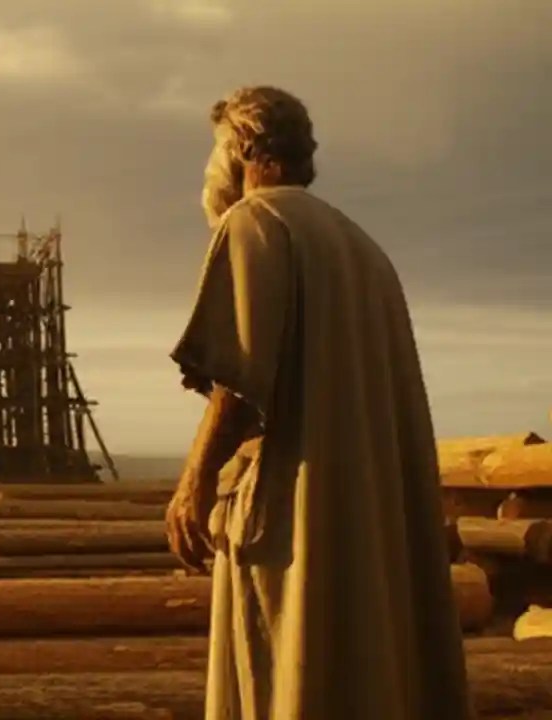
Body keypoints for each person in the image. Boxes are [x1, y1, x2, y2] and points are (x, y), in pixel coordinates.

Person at [165, 86, 473, 719]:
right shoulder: (364, 250)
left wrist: (194, 481)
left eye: (215, 154)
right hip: (361, 520)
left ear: (246, 151)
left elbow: (240, 376)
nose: (211, 171)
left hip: (292, 521)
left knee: (286, 674)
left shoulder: (254, 222)